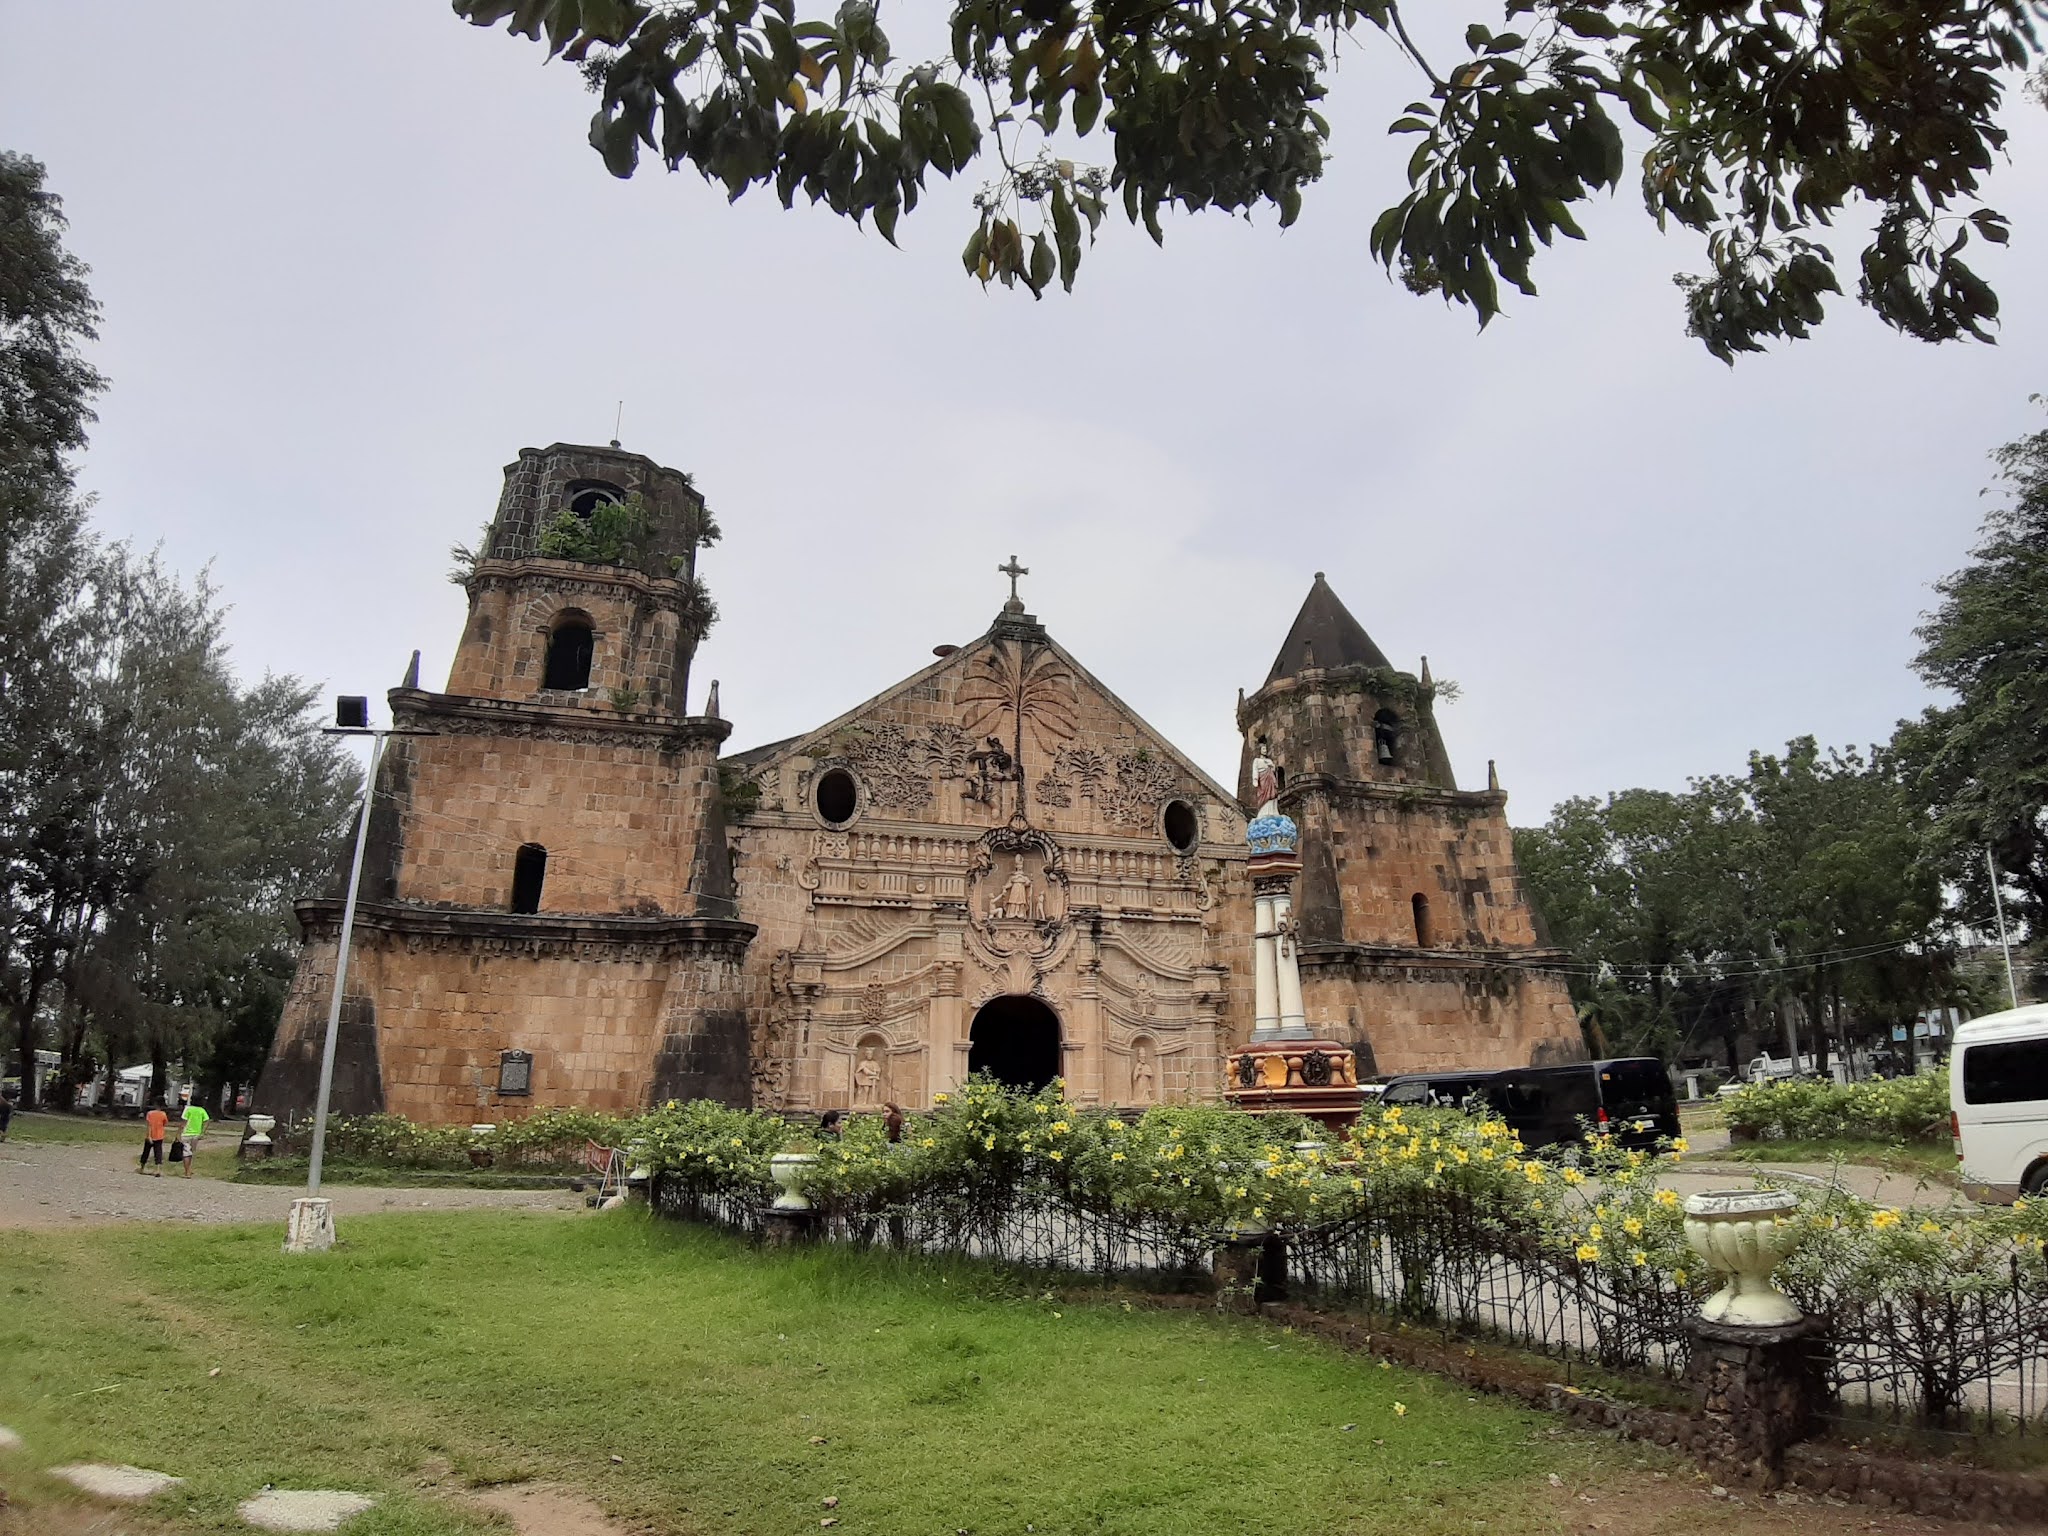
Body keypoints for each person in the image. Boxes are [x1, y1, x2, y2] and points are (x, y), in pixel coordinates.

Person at [177, 1096, 210, 1178]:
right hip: (196, 1134)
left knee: (185, 1153)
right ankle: (189, 1169)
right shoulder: (202, 1110)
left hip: (186, 1133)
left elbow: (183, 1122)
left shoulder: (188, 1109)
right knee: (191, 1152)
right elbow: (207, 1121)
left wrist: (178, 1133)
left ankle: (187, 1172)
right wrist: (203, 1132)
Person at [139, 1101, 169, 1176]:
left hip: (150, 1135)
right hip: (159, 1135)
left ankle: (142, 1168)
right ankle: (158, 1169)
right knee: (158, 1152)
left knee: (146, 1152)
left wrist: (149, 1135)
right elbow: (165, 1123)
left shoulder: (150, 1113)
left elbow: (149, 1125)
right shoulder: (163, 1114)